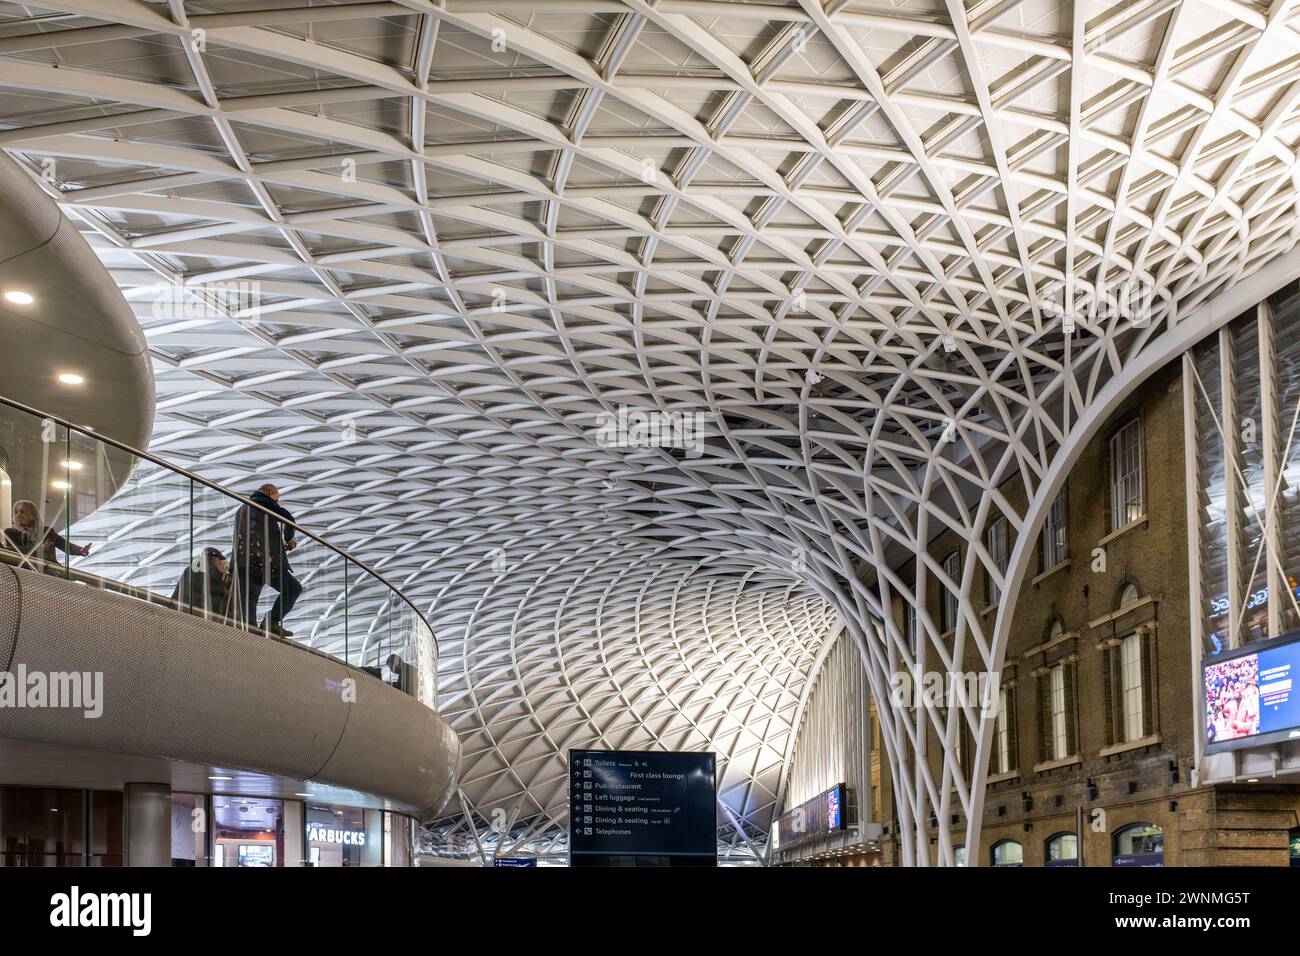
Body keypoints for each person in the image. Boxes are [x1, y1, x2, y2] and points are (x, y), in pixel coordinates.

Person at [230, 483, 302, 637]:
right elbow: (288, 518)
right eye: (276, 499)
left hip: (243, 562)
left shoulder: (242, 509)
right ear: (270, 494)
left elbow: (257, 536)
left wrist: (281, 547)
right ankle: (271, 621)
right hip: (264, 562)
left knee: (247, 603)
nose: (276, 503)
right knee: (293, 588)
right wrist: (289, 538)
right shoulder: (262, 501)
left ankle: (248, 636)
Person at [3, 499, 91, 571]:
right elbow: (15, 553)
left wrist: (81, 550)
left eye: (22, 512)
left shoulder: (46, 531)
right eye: (16, 512)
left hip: (50, 572)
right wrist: (40, 549)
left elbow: (65, 545)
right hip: (25, 572)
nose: (18, 515)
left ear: (32, 515)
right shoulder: (10, 532)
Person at [171, 547, 230, 620]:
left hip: (177, 616)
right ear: (215, 559)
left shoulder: (190, 569)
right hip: (198, 619)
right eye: (223, 563)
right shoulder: (211, 571)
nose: (224, 568)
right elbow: (218, 599)